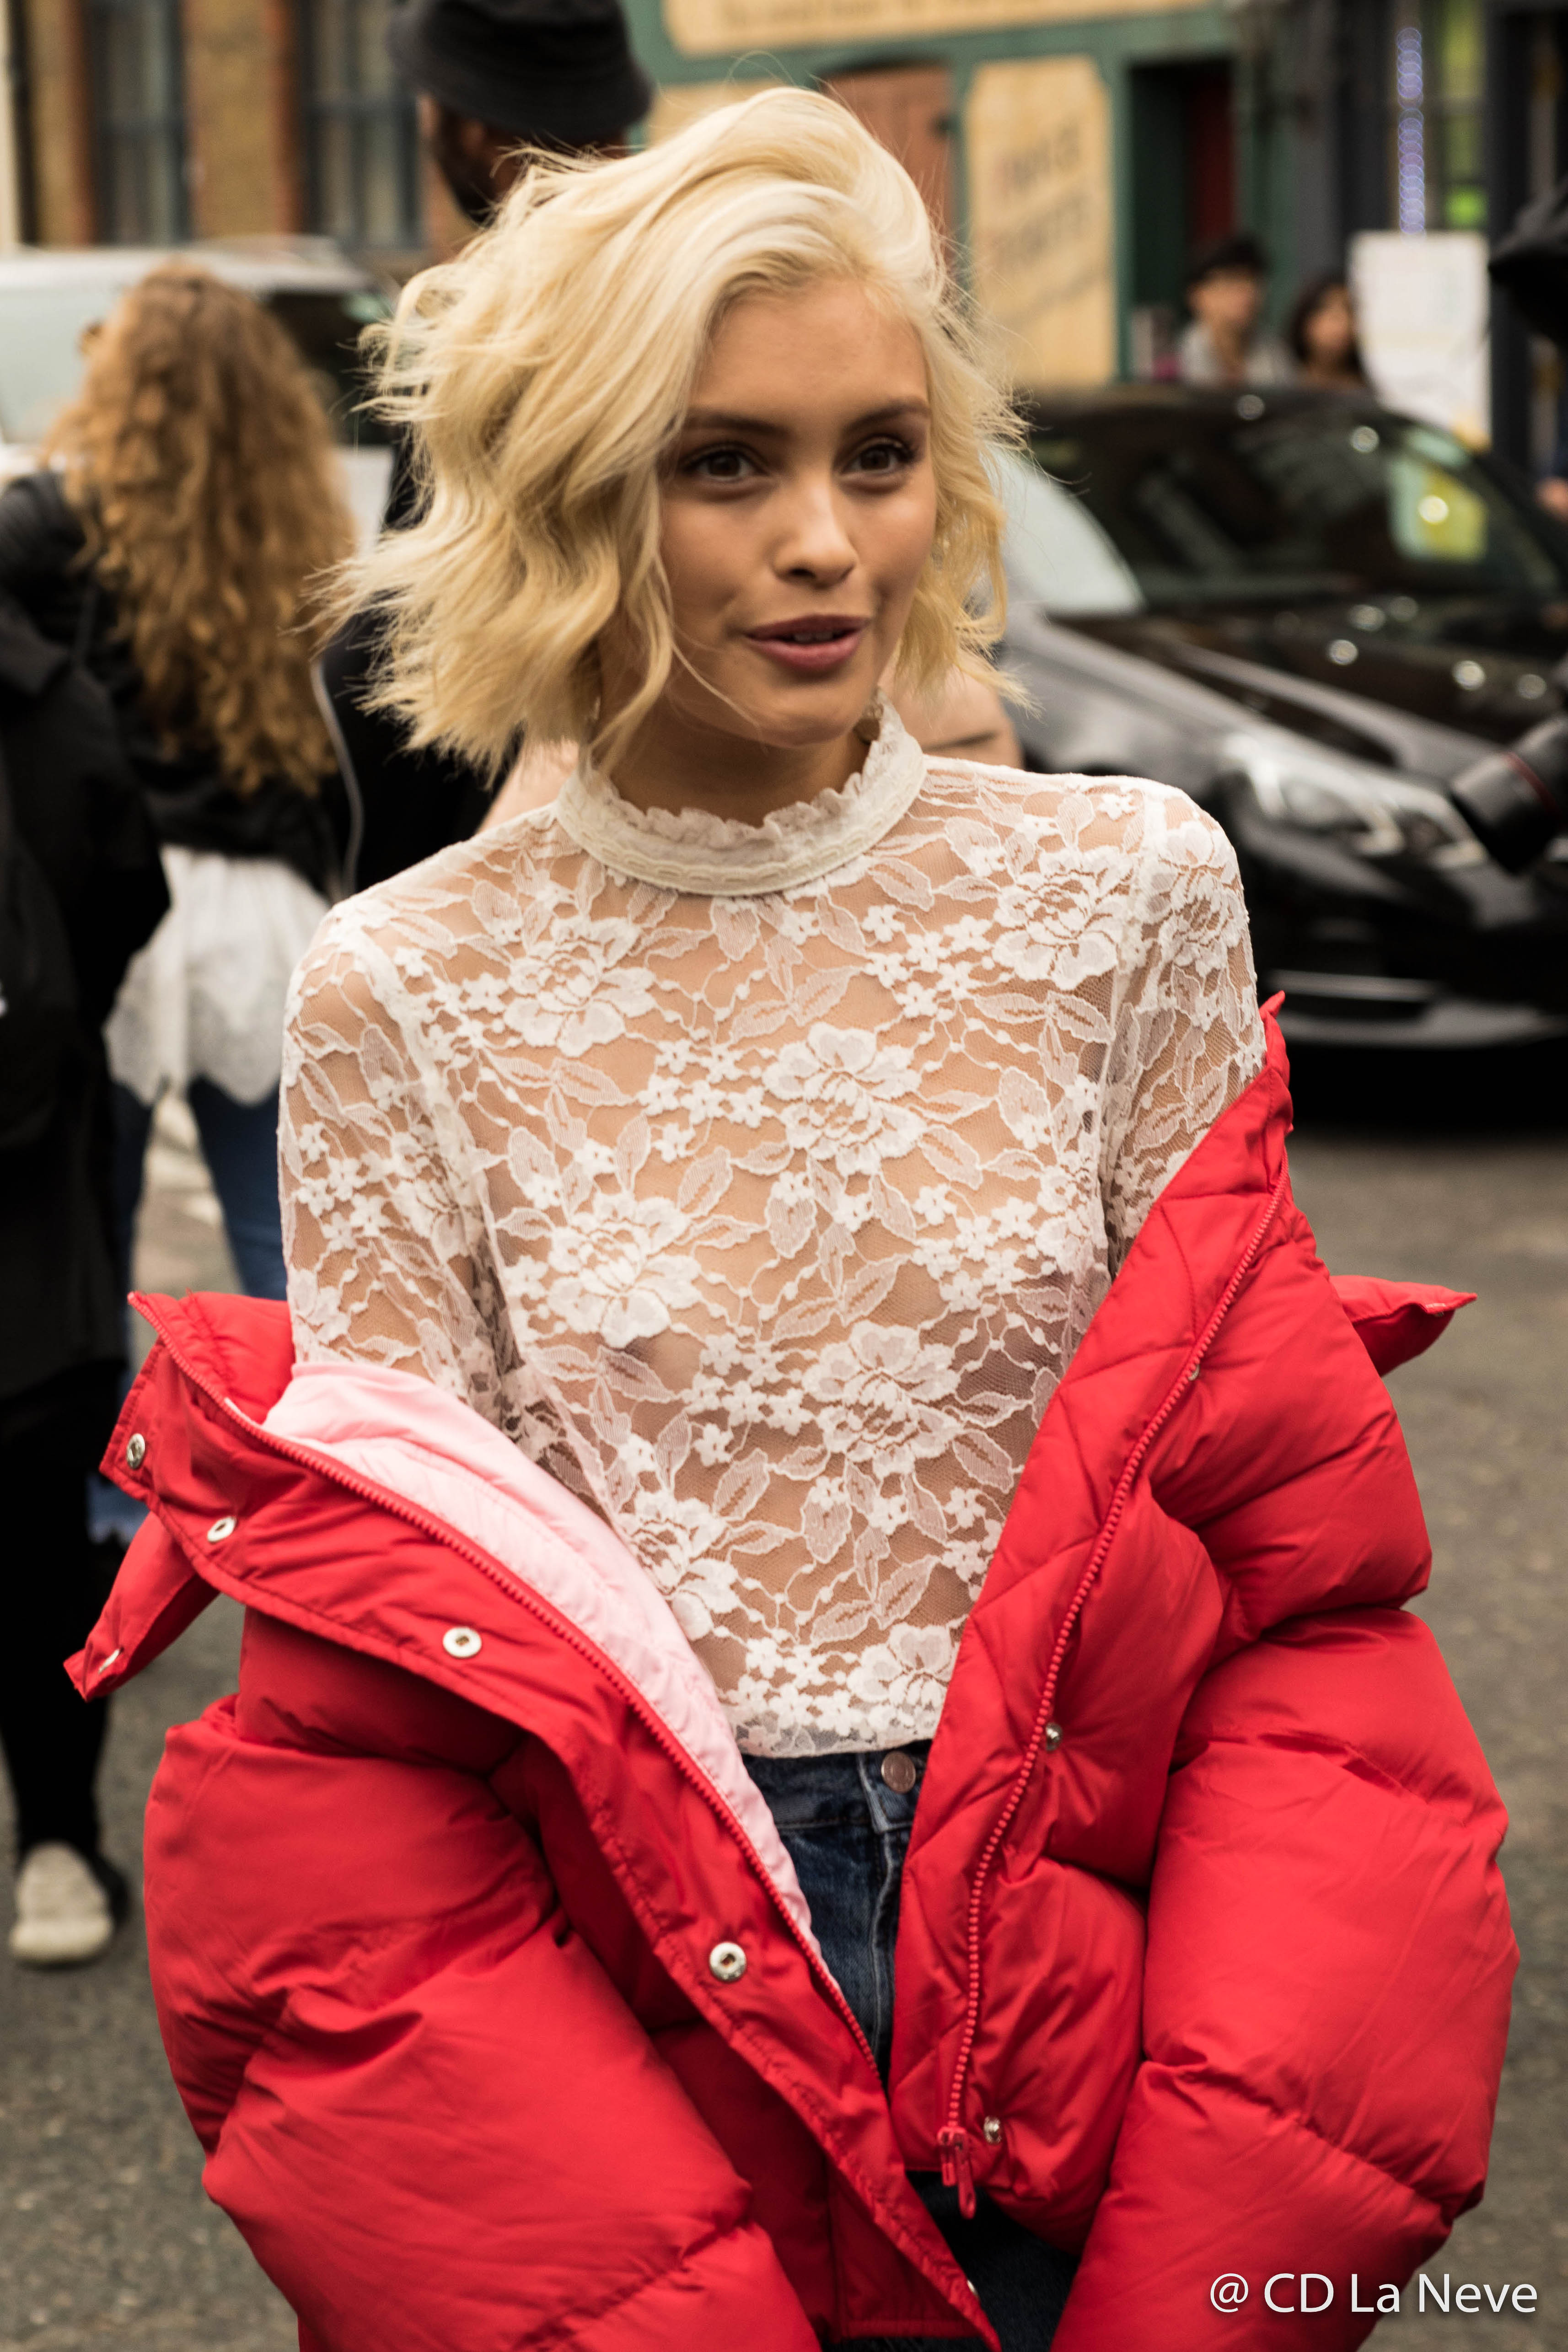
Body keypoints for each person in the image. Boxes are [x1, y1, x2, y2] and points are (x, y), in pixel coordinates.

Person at [80, 94, 1512, 2348]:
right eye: (723, 461)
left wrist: (1269, 2161)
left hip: (1084, 1928)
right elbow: (389, 1680)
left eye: (877, 451)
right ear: (567, 495)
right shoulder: (405, 989)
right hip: (643, 1959)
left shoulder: (1122, 893)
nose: (825, 538)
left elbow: (1266, 1554)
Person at [0, 265, 356, 1309]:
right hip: (267, 913)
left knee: (91, 1239)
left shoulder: (54, 519)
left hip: (114, 899)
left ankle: (108, 1478)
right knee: (279, 1240)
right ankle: (296, 1465)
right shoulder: (298, 527)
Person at [319, 0, 653, 890]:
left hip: (534, 870)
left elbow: (421, 657)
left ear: (469, 126)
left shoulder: (480, 339)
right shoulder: (709, 269)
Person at [0, 562, 166, 1963]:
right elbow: (130, 893)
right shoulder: (56, 710)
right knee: (38, 1537)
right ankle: (56, 1845)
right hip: (30, 1198)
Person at [1177, 231, 1294, 388]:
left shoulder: (1279, 359)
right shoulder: (1174, 367)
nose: (1247, 294)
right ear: (1197, 295)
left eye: (1253, 281)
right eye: (1231, 281)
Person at [1286, 269, 1371, 392]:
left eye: (1348, 310)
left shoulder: (1374, 387)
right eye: (1327, 309)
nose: (1341, 321)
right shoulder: (1279, 375)